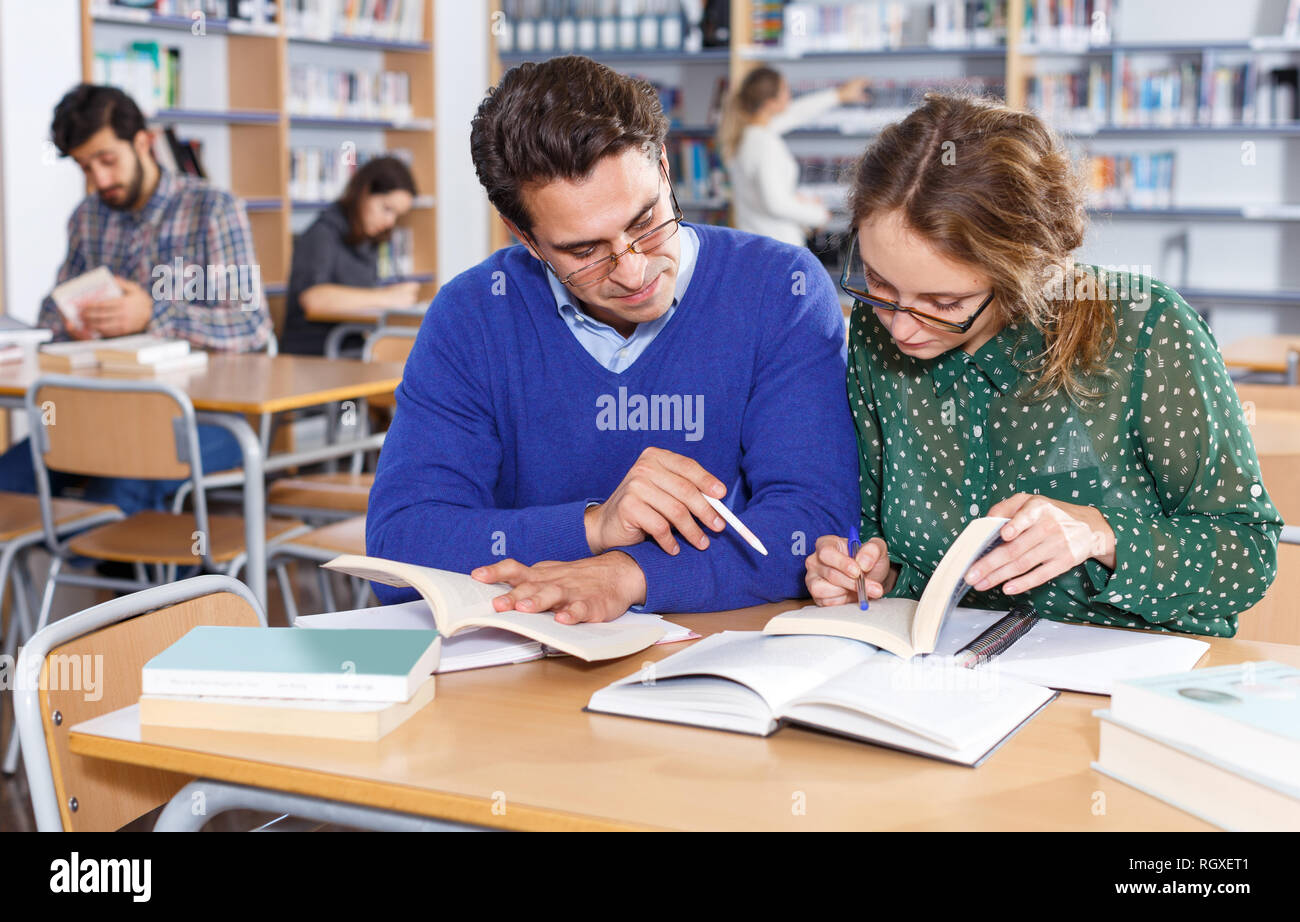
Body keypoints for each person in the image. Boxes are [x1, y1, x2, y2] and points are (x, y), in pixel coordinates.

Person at [365, 55, 859, 621]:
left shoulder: (783, 291)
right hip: (522, 678)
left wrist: (629, 574)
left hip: (719, 665)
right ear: (527, 239)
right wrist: (595, 527)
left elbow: (814, 527)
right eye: (584, 250)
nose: (632, 270)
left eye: (646, 220)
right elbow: (399, 549)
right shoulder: (472, 315)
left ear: (666, 171)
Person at [803, 93, 1280, 638]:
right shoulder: (875, 329)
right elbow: (877, 539)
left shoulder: (1146, 326)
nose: (902, 328)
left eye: (945, 304)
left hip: (1120, 682)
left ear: (1024, 271)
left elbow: (1248, 555)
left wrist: (1101, 534)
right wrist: (861, 571)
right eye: (879, 285)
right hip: (944, 676)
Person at [0, 84, 271, 515]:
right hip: (103, 414)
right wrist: (71, 323)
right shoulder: (88, 217)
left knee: (115, 491)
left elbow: (252, 326)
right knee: (7, 481)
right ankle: (93, 567)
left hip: (205, 417)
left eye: (107, 160)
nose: (99, 180)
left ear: (144, 143)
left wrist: (152, 312)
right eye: (85, 167)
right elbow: (50, 315)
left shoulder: (213, 209)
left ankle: (159, 576)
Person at [281, 156, 420, 355]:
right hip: (315, 355)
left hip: (349, 347)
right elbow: (313, 299)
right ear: (364, 193)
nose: (390, 222)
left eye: (396, 215)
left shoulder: (367, 241)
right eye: (386, 208)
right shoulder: (321, 234)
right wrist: (386, 297)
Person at [719, 67, 868, 248]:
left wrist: (839, 95)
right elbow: (775, 203)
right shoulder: (763, 144)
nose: (789, 95)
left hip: (759, 241)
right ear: (771, 102)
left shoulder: (747, 136)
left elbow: (795, 114)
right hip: (778, 246)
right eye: (785, 90)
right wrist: (818, 214)